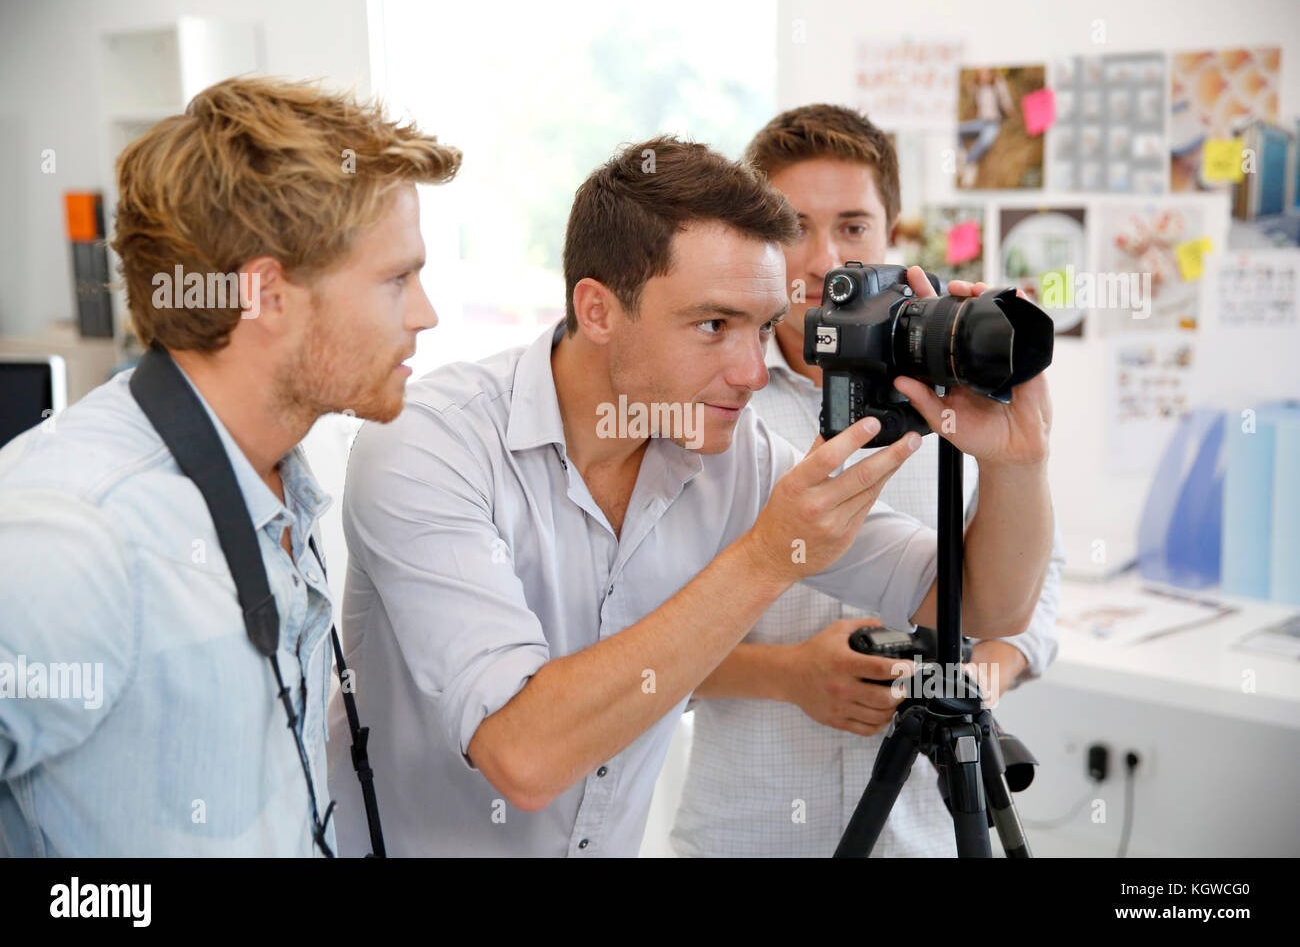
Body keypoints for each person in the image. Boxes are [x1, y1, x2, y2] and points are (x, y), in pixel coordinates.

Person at [327, 135, 1055, 857]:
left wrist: (1018, 465)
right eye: (713, 325)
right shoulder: (427, 445)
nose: (750, 372)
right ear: (599, 310)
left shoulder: (729, 455)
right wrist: (768, 557)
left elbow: (982, 607)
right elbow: (526, 756)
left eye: (762, 328)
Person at [0, 76, 460, 855]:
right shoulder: (75, 534)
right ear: (268, 294)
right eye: (396, 279)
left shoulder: (271, 480)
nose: (425, 314)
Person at [671, 103, 1066, 857]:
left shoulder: (957, 382)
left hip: (926, 829)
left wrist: (987, 665)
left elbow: (1038, 585)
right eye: (793, 227)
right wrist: (783, 675)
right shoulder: (709, 399)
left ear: (892, 230)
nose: (823, 260)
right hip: (750, 830)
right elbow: (631, 642)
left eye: (852, 226)